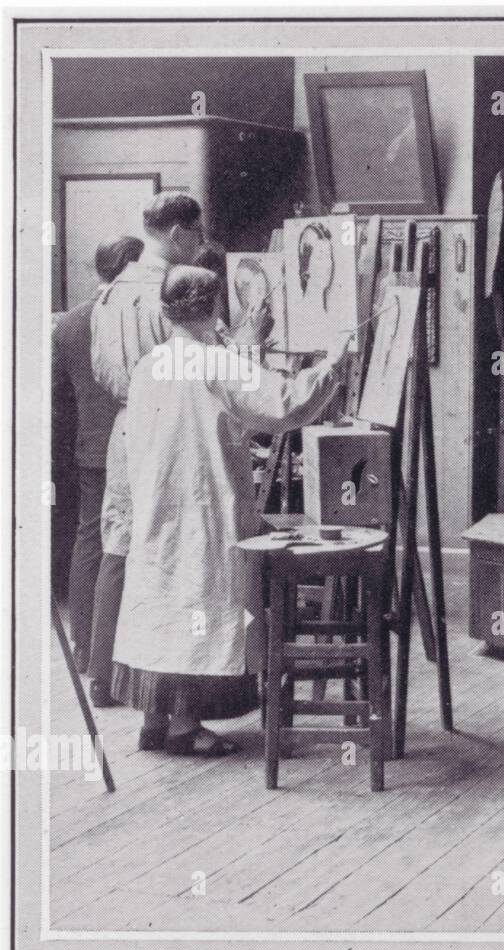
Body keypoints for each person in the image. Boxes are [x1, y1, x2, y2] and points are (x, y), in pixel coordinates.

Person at [112, 266, 350, 756]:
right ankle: (183, 726)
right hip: (203, 508)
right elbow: (284, 403)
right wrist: (332, 366)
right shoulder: (215, 363)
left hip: (159, 507)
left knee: (164, 609)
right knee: (197, 608)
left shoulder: (149, 365)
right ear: (217, 308)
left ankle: (155, 720)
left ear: (165, 311)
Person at [85, 193, 205, 707]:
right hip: (166, 427)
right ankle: (167, 696)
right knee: (170, 552)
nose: (200, 244)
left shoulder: (110, 293)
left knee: (119, 545)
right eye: (197, 234)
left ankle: (102, 674)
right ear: (178, 233)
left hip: (123, 427)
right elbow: (199, 367)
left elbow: (100, 368)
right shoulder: (173, 289)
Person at [52, 235, 143, 671]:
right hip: (130, 445)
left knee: (90, 541)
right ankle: (119, 656)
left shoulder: (69, 322)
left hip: (89, 446)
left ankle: (86, 648)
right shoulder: (131, 315)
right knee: (127, 548)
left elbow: (57, 396)